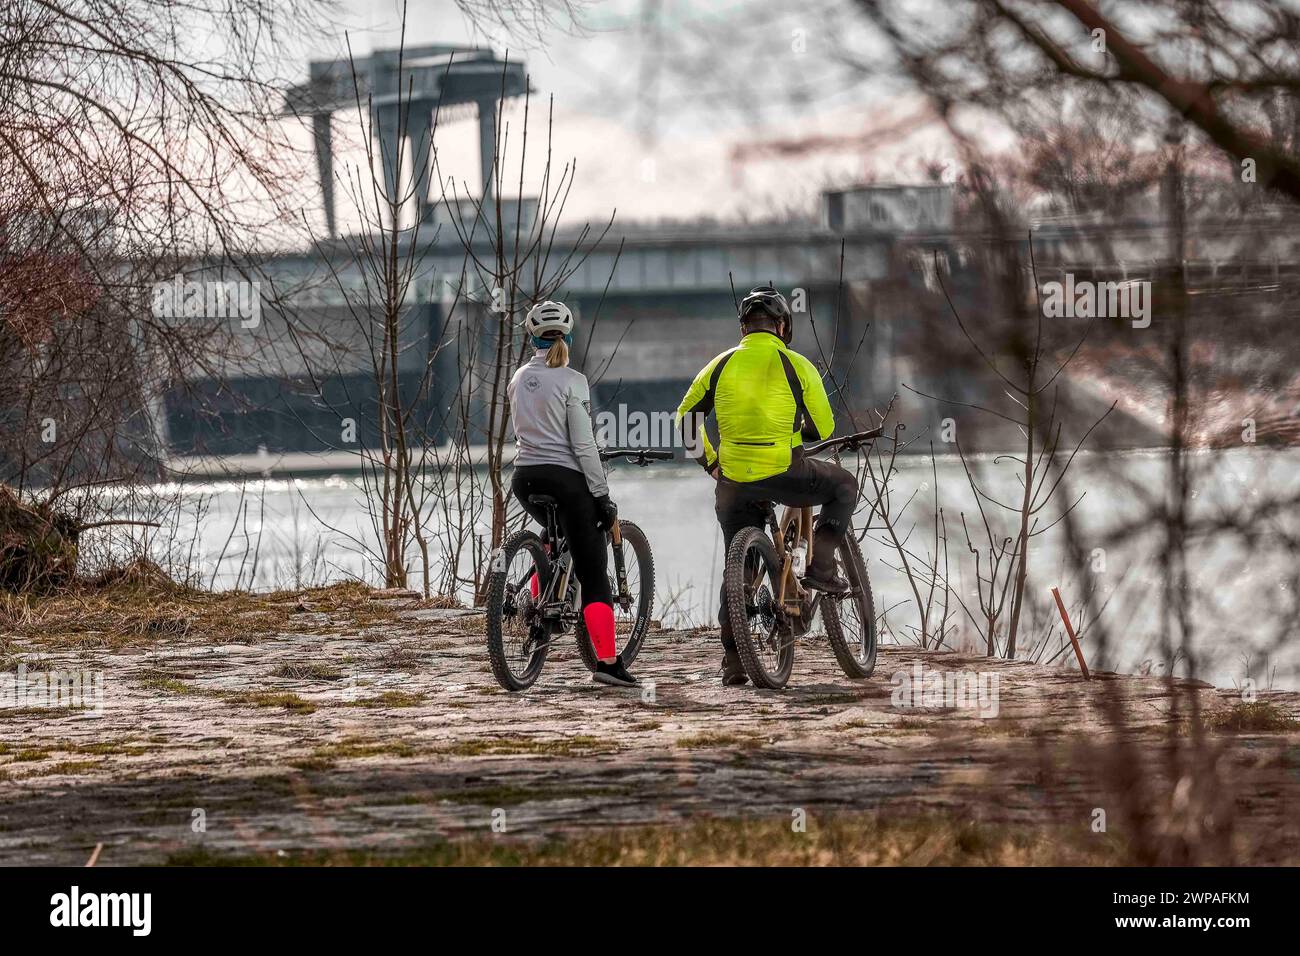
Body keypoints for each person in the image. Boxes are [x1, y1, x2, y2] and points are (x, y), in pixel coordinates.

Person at [676, 285, 859, 686]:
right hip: (785, 473)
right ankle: (823, 566)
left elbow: (685, 417)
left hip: (733, 480)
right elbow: (824, 427)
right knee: (844, 486)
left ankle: (734, 662)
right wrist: (798, 429)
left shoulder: (718, 366)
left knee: (735, 566)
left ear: (743, 328)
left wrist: (710, 462)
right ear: (782, 326)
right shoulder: (795, 364)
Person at [507, 299, 639, 688]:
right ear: (568, 336)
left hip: (524, 479)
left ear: (531, 337)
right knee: (593, 569)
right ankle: (608, 665)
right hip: (565, 480)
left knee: (554, 533)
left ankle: (537, 610)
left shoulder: (517, 379)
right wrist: (602, 497)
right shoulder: (572, 380)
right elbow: (583, 447)